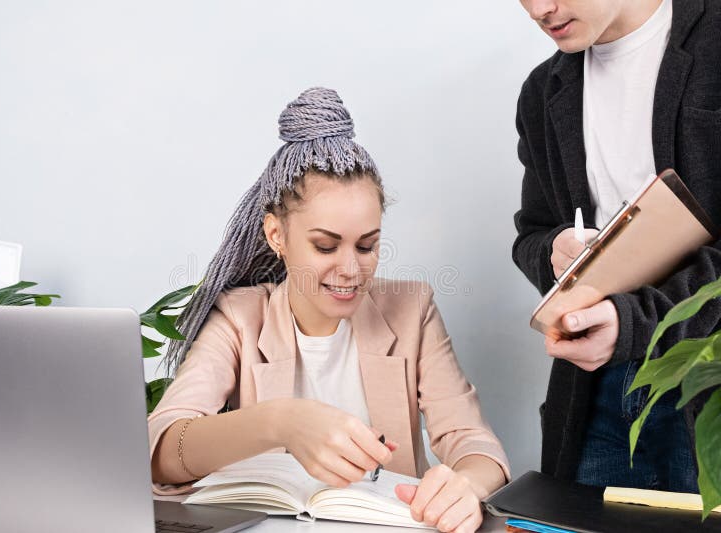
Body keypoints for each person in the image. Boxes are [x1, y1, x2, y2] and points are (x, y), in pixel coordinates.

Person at [148, 87, 509, 532]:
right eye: (325, 245)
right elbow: (161, 450)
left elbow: (473, 442)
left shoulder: (412, 310)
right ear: (276, 235)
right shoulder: (240, 319)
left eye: (367, 245)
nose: (351, 269)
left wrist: (465, 486)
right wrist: (282, 422)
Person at [513, 0, 721, 490]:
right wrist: (555, 250)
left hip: (706, 384)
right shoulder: (542, 91)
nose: (540, 9)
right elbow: (531, 234)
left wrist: (633, 322)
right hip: (592, 396)